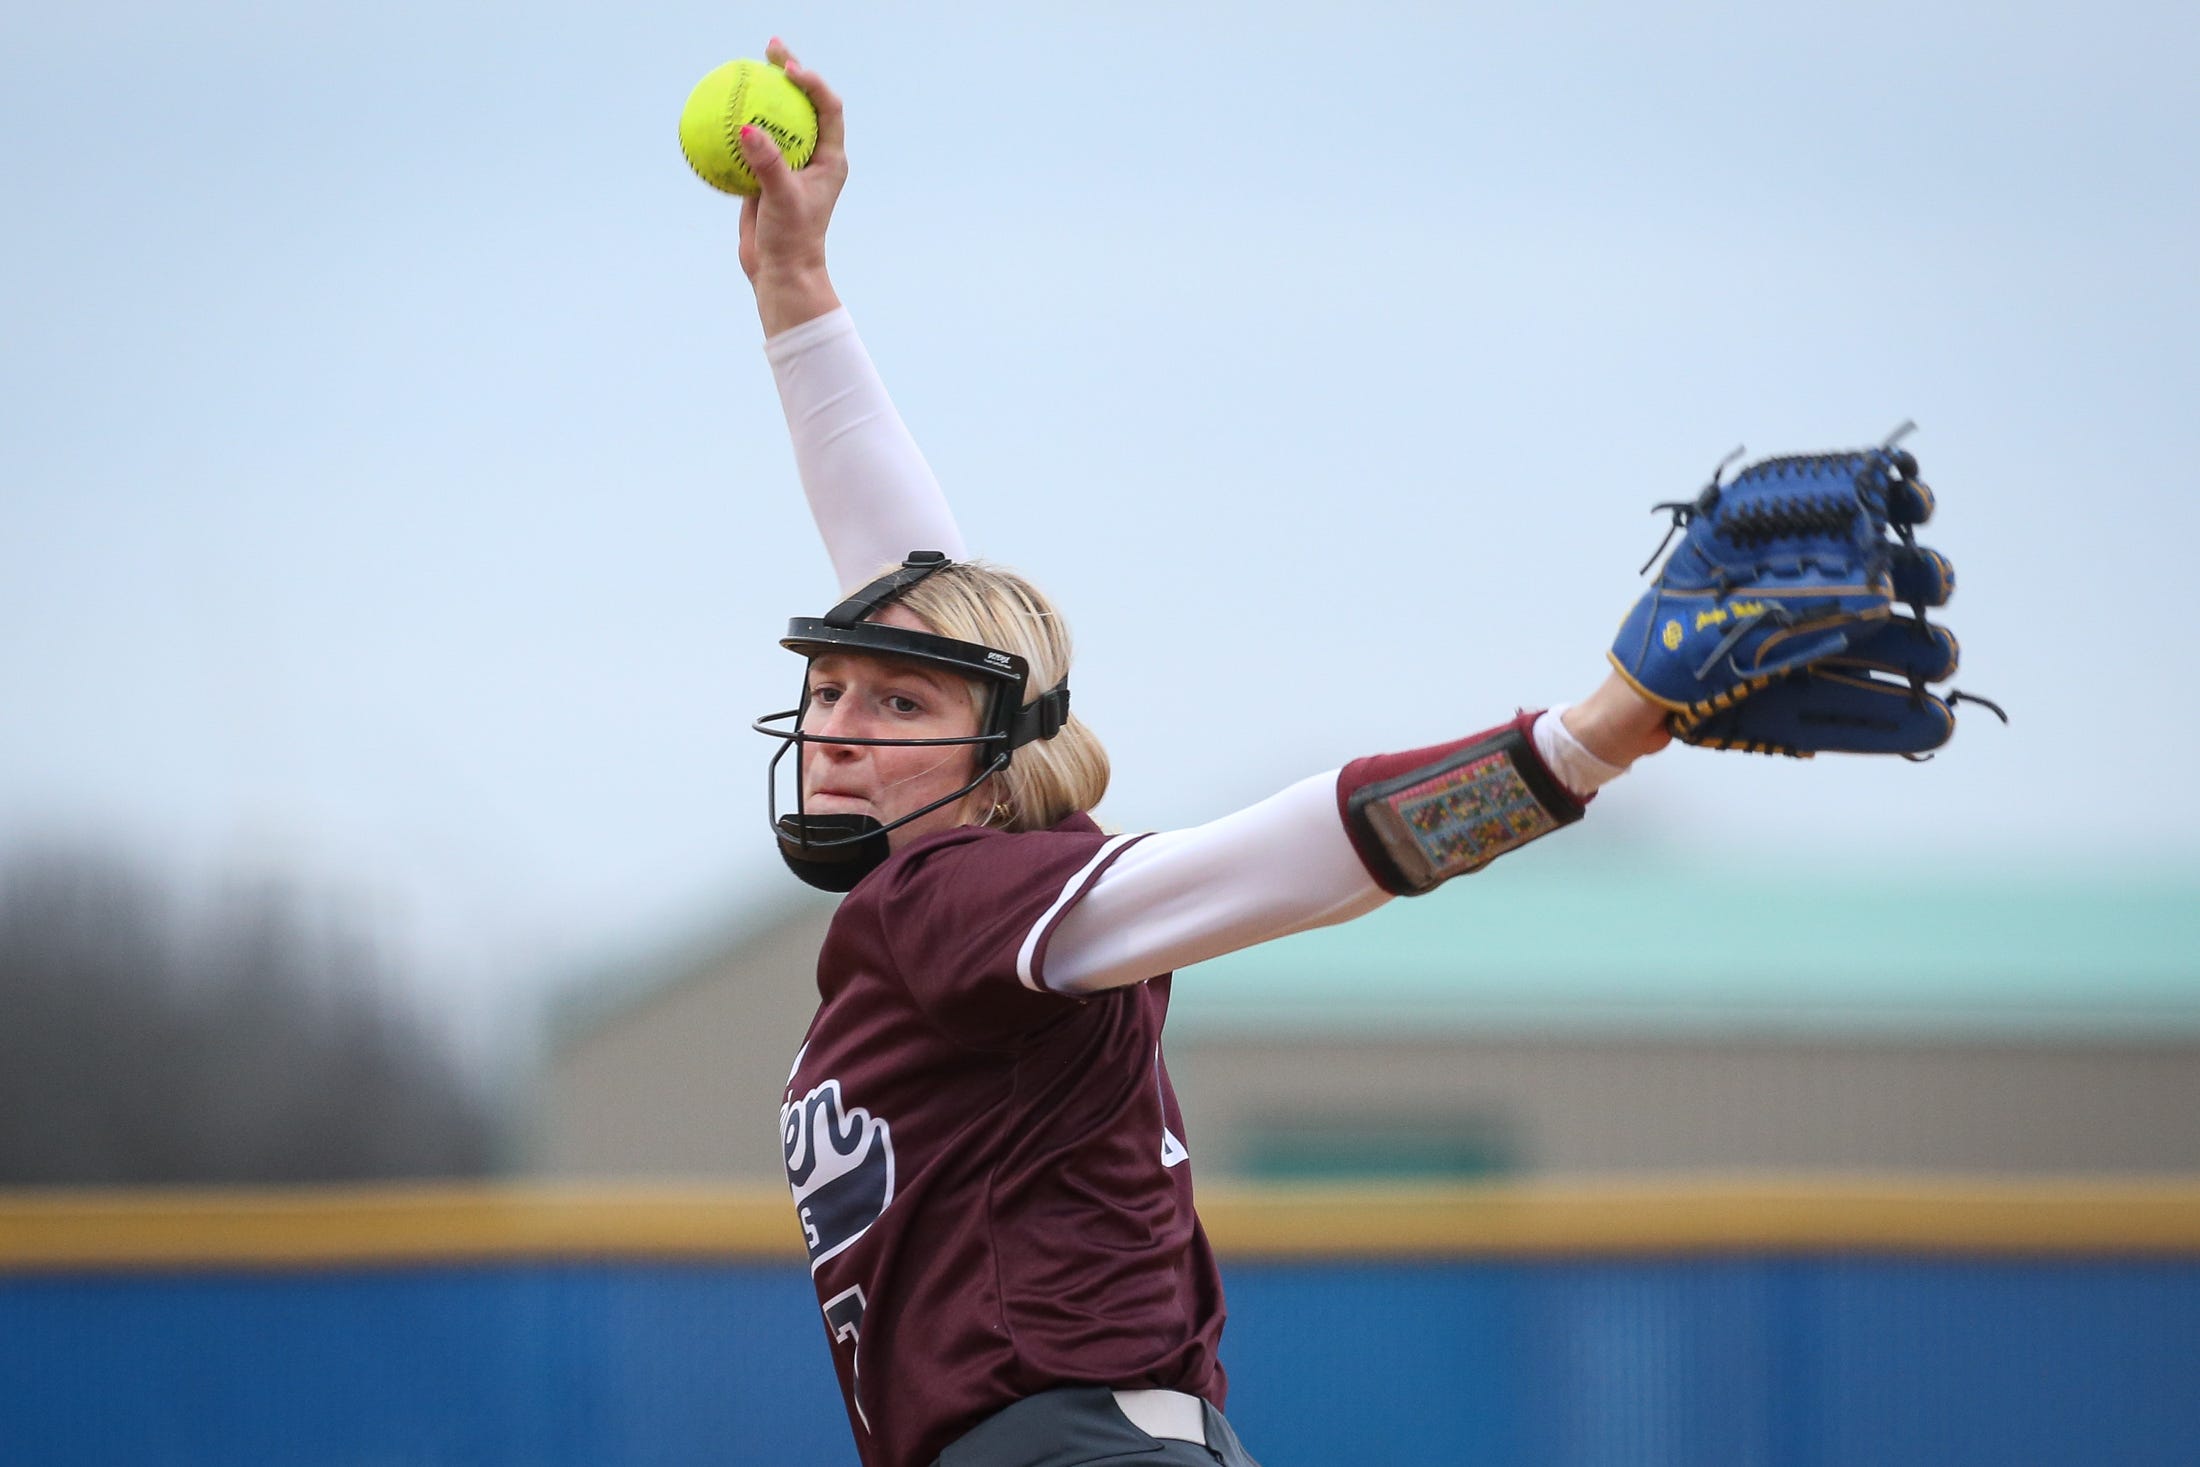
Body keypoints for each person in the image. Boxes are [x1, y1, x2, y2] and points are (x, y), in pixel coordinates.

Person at [733, 40, 1670, 1467]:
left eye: (897, 707)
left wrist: (1575, 746)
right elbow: (917, 588)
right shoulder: (955, 908)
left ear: (994, 759)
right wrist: (793, 287)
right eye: (835, 690)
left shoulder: (959, 897)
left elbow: (1274, 865)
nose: (845, 723)